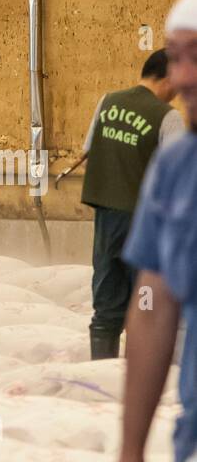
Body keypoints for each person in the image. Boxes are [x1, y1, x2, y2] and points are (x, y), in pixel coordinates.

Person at [101, 0, 197, 462]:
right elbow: (154, 310)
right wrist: (130, 451)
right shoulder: (177, 167)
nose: (186, 72)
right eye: (179, 55)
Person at [76, 51, 184, 360]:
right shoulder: (167, 116)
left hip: (107, 222)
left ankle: (102, 373)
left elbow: (89, 151)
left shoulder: (107, 102)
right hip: (146, 229)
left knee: (107, 302)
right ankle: (141, 374)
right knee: (147, 302)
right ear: (168, 78)